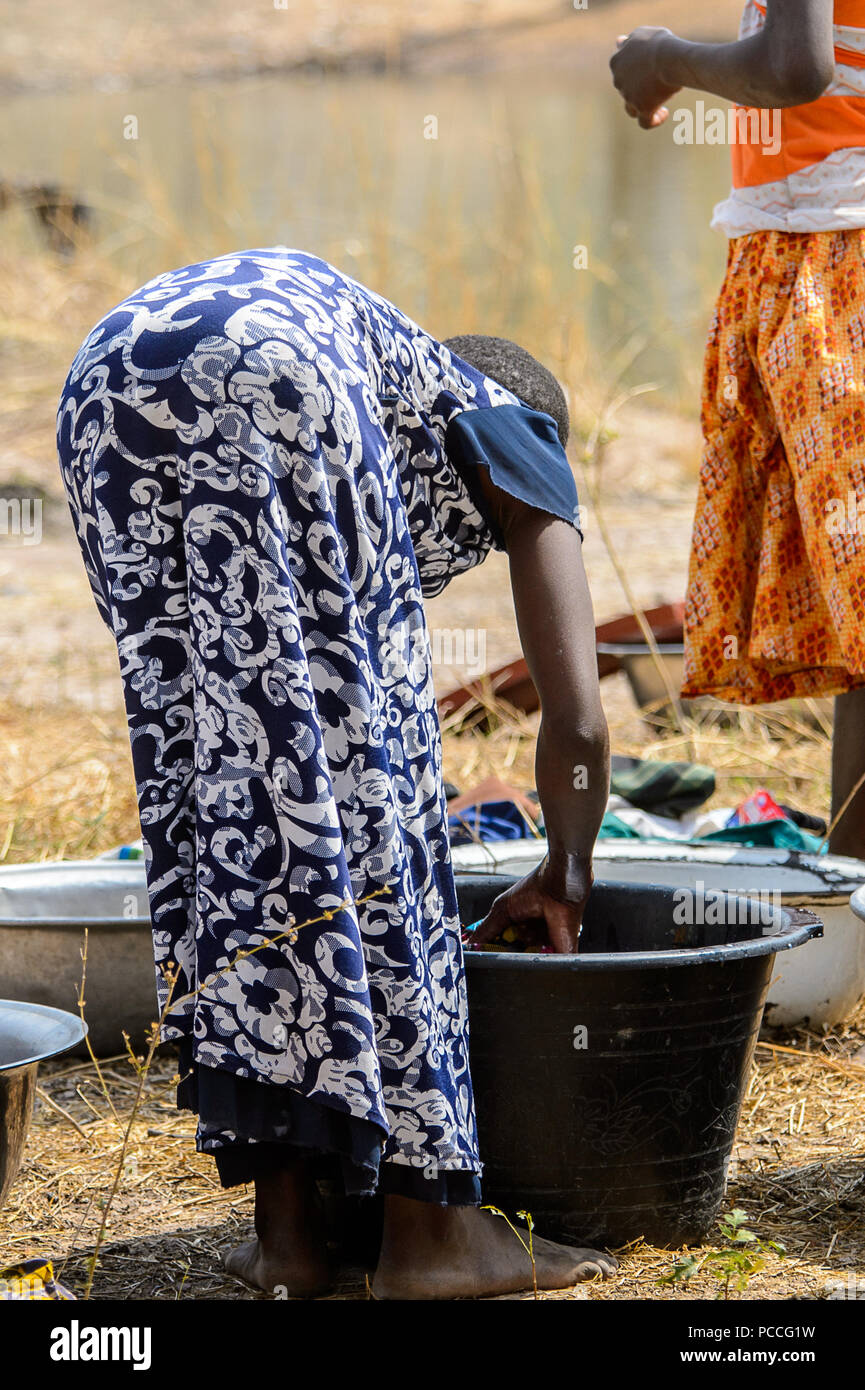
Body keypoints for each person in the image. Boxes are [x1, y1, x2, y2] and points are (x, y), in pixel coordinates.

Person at [57, 247, 614, 1299]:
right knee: (379, 808)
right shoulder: (511, 425)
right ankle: (431, 1244)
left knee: (226, 784)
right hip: (274, 368)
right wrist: (566, 870)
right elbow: (578, 717)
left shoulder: (386, 369)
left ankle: (288, 1244)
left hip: (105, 385)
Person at [611, 0, 865, 858]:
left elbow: (795, 68)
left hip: (835, 253)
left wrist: (662, 57)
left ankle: (849, 923)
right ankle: (847, 913)